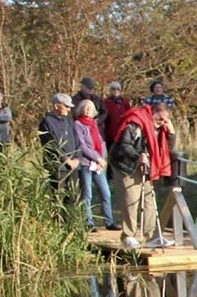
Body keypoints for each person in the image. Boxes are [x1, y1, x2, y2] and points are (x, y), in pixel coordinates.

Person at [106, 101, 167, 248]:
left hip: (143, 166)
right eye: (161, 119)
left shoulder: (157, 128)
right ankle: (128, 235)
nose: (162, 123)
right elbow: (124, 145)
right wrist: (137, 156)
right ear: (154, 113)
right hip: (124, 166)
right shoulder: (134, 123)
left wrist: (171, 131)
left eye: (165, 121)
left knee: (149, 199)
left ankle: (150, 236)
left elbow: (164, 147)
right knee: (131, 199)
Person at [71, 99, 115, 230]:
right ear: (81, 109)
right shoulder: (78, 124)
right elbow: (82, 146)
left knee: (106, 193)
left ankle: (109, 221)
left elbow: (101, 143)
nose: (89, 109)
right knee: (87, 194)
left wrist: (102, 159)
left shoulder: (95, 124)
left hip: (98, 164)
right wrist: (97, 158)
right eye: (86, 107)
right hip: (85, 163)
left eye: (91, 107)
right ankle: (88, 222)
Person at [38, 92, 82, 201]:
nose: (68, 109)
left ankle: (69, 218)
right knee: (58, 198)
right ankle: (58, 218)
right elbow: (51, 144)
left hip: (73, 166)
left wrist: (77, 158)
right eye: (66, 106)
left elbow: (77, 140)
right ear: (57, 105)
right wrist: (66, 160)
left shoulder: (69, 121)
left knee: (73, 197)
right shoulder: (46, 122)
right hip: (58, 166)